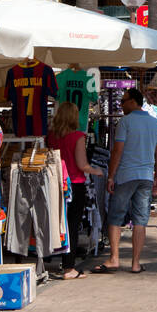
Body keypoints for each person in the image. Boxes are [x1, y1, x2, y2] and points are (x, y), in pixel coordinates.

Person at [94, 87, 157, 274]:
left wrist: (111, 176)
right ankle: (135, 263)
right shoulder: (155, 123)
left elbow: (118, 150)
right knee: (140, 221)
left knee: (116, 217)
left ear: (133, 101)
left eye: (123, 101)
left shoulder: (125, 122)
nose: (121, 105)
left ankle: (114, 258)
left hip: (126, 176)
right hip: (146, 177)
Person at [47, 101, 107, 279]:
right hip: (74, 184)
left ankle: (54, 258)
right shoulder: (78, 136)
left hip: (55, 183)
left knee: (58, 224)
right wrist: (97, 171)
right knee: (72, 226)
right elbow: (82, 164)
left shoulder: (51, 136)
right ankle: (69, 268)